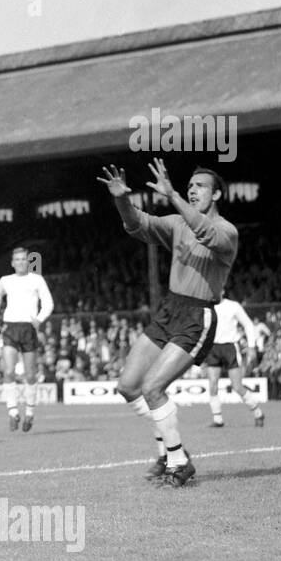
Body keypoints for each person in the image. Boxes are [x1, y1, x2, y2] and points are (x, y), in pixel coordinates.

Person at [98, 160, 238, 487]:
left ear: (216, 194)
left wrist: (173, 195)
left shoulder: (228, 231)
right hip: (169, 310)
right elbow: (138, 224)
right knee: (129, 386)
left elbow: (206, 233)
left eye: (199, 185)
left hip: (197, 314)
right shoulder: (177, 223)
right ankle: (170, 451)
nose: (192, 189)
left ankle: (177, 461)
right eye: (189, 185)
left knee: (153, 388)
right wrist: (121, 199)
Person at [0, 246, 54, 432]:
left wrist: (39, 319)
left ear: (28, 261)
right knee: (8, 371)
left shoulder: (37, 279)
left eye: (24, 259)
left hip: (28, 328)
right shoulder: (5, 280)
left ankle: (30, 413)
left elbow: (48, 302)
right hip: (10, 326)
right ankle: (13, 412)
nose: (20, 262)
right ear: (12, 263)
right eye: (17, 259)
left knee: (30, 374)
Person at [204, 290, 265, 428]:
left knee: (237, 386)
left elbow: (248, 324)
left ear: (223, 291)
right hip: (213, 348)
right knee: (212, 384)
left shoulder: (233, 306)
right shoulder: (207, 307)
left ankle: (257, 412)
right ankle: (218, 418)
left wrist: (251, 346)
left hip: (230, 348)